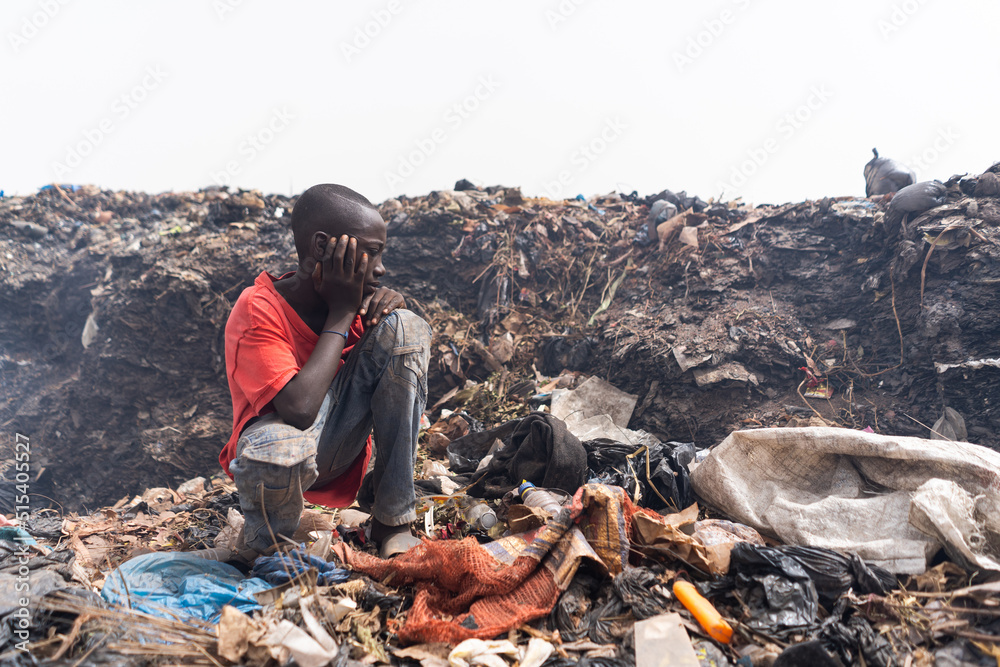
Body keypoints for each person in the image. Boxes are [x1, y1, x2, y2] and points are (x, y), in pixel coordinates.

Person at [219, 184, 430, 560]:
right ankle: (264, 544)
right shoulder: (257, 308)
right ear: (322, 247)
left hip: (339, 450)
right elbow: (299, 410)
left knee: (406, 326)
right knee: (278, 443)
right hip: (279, 460)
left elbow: (393, 378)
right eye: (370, 253)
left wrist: (388, 317)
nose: (380, 269)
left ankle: (392, 521)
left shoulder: (360, 301)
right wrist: (343, 313)